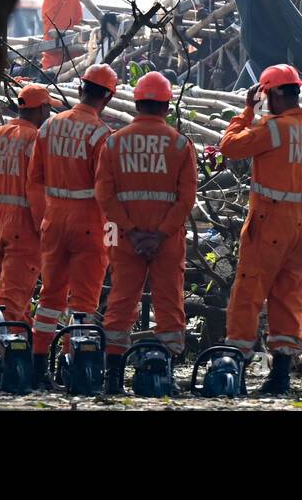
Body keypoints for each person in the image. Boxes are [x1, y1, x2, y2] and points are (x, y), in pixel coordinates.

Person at [219, 63, 302, 395]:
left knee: (248, 293)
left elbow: (230, 146)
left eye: (264, 95)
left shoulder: (274, 128)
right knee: (288, 297)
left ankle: (233, 368)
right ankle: (280, 375)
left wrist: (246, 112)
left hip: (270, 221)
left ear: (274, 94)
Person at [95, 71, 197, 394]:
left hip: (125, 240)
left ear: (137, 103)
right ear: (167, 105)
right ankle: (162, 376)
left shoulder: (113, 142)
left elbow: (104, 195)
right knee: (169, 303)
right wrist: (160, 233)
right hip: (167, 242)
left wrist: (131, 232)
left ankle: (112, 379)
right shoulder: (181, 145)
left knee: (121, 302)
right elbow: (186, 199)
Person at [26, 63, 118, 387]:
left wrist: (43, 221)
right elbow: (106, 193)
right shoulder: (102, 136)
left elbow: (33, 181)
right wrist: (114, 236)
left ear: (80, 89)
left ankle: (37, 367)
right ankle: (75, 366)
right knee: (82, 301)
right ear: (107, 97)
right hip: (89, 224)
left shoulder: (48, 127)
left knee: (49, 297)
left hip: (53, 221)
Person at [0, 83, 51, 383]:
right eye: (48, 109)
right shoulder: (36, 141)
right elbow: (38, 191)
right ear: (41, 109)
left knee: (15, 297)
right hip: (23, 229)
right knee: (10, 302)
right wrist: (45, 228)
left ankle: (22, 360)